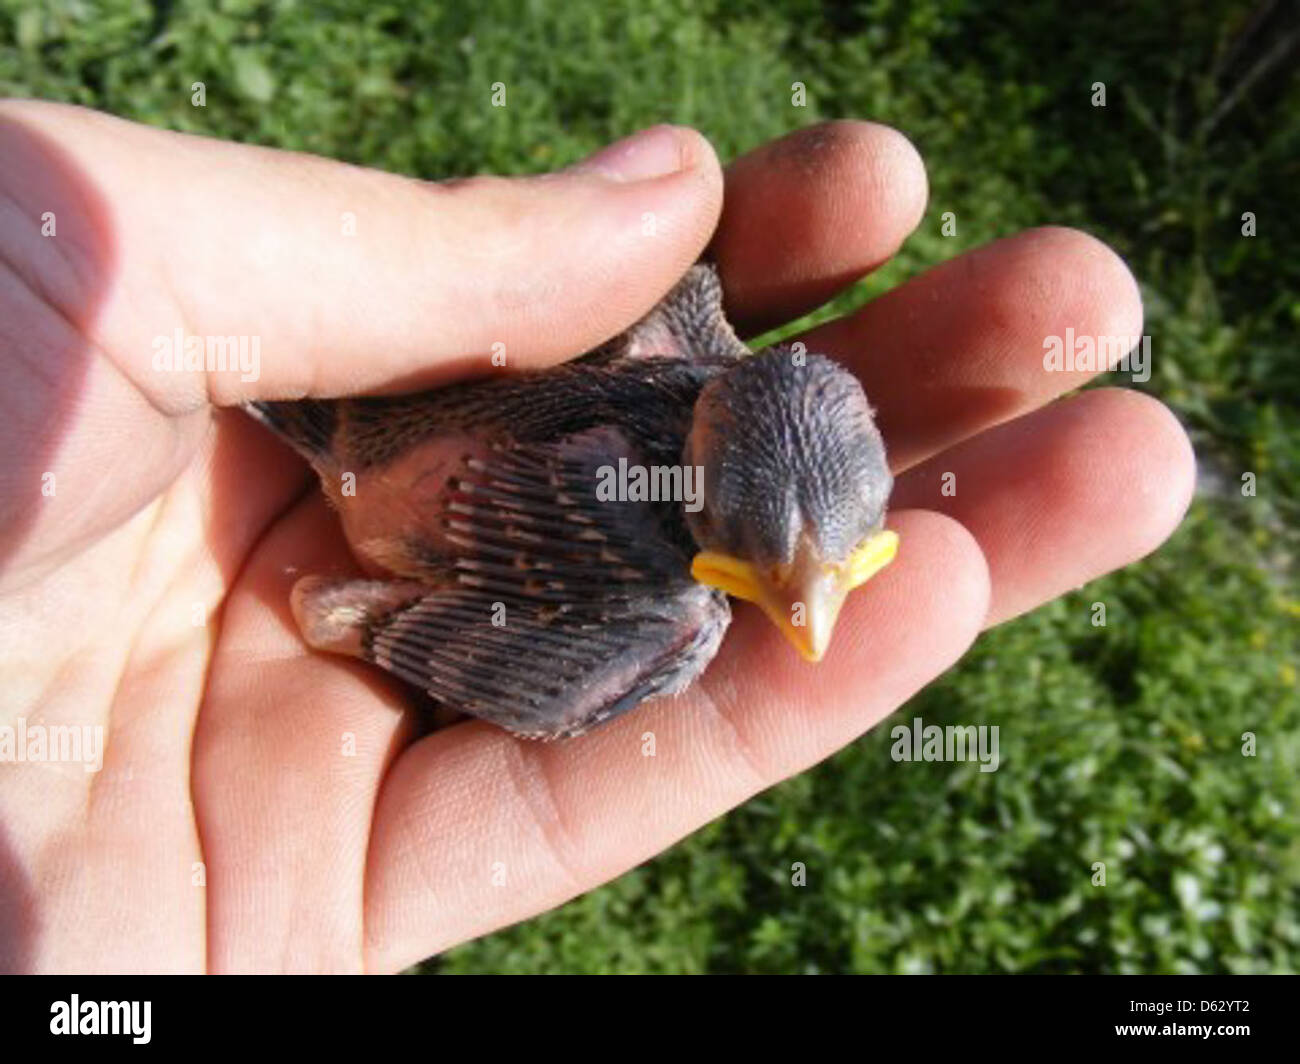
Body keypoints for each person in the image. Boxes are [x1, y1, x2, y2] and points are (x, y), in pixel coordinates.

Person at [0, 106, 1194, 972]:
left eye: (835, 565)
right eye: (787, 569)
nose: (808, 622)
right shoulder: (651, 508)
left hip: (373, 440)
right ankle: (382, 619)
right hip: (394, 491)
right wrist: (388, 607)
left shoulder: (676, 312)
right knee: (648, 648)